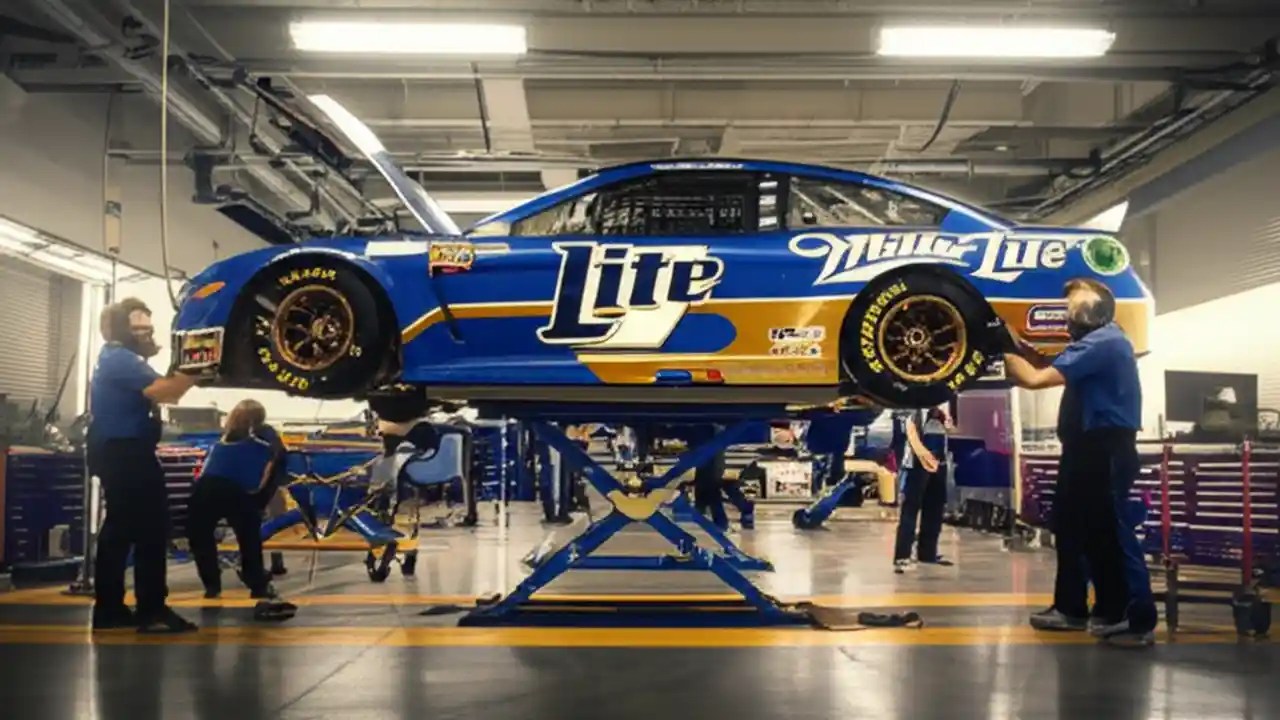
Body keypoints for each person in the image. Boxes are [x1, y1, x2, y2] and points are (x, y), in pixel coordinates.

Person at [1002, 277, 1156, 647]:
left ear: (1096, 309)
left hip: (1105, 449)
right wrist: (1018, 345)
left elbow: (1035, 378)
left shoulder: (1104, 343)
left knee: (1111, 533)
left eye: (1073, 307)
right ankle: (1074, 608)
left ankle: (1136, 618)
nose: (1067, 316)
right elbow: (1044, 361)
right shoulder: (1094, 344)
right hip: (1083, 448)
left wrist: (1000, 347)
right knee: (1071, 528)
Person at [88, 297, 199, 633]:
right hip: (126, 451)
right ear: (123, 328)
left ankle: (110, 609)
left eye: (149, 326)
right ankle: (150, 608)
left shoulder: (118, 359)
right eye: (140, 327)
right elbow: (167, 392)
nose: (147, 332)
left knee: (121, 529)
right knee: (150, 527)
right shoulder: (120, 359)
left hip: (119, 450)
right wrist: (199, 363)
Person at [186, 399, 288, 601]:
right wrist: (261, 498)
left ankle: (211, 584)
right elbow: (272, 467)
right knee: (249, 537)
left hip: (207, 489)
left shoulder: (222, 440)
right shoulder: (267, 439)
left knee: (200, 535)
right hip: (240, 491)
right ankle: (257, 583)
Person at [893, 406, 953, 573]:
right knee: (911, 509)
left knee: (935, 507)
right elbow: (910, 431)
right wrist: (923, 454)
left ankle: (928, 552)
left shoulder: (945, 404)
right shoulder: (915, 402)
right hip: (916, 463)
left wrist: (948, 422)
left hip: (939, 460)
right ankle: (902, 556)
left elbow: (952, 428)